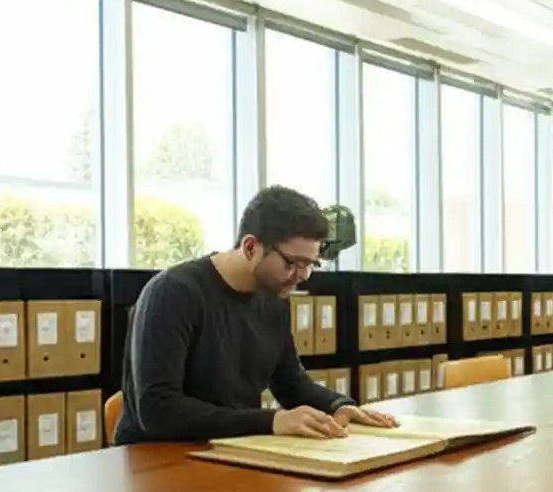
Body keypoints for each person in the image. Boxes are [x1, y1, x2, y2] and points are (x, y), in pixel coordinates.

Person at [112, 185, 396, 445]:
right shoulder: (173, 293)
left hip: (232, 449)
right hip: (159, 460)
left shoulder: (273, 296)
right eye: (293, 263)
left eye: (310, 265)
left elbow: (291, 384)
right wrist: (271, 420)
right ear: (251, 247)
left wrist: (338, 406)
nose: (301, 277)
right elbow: (158, 410)